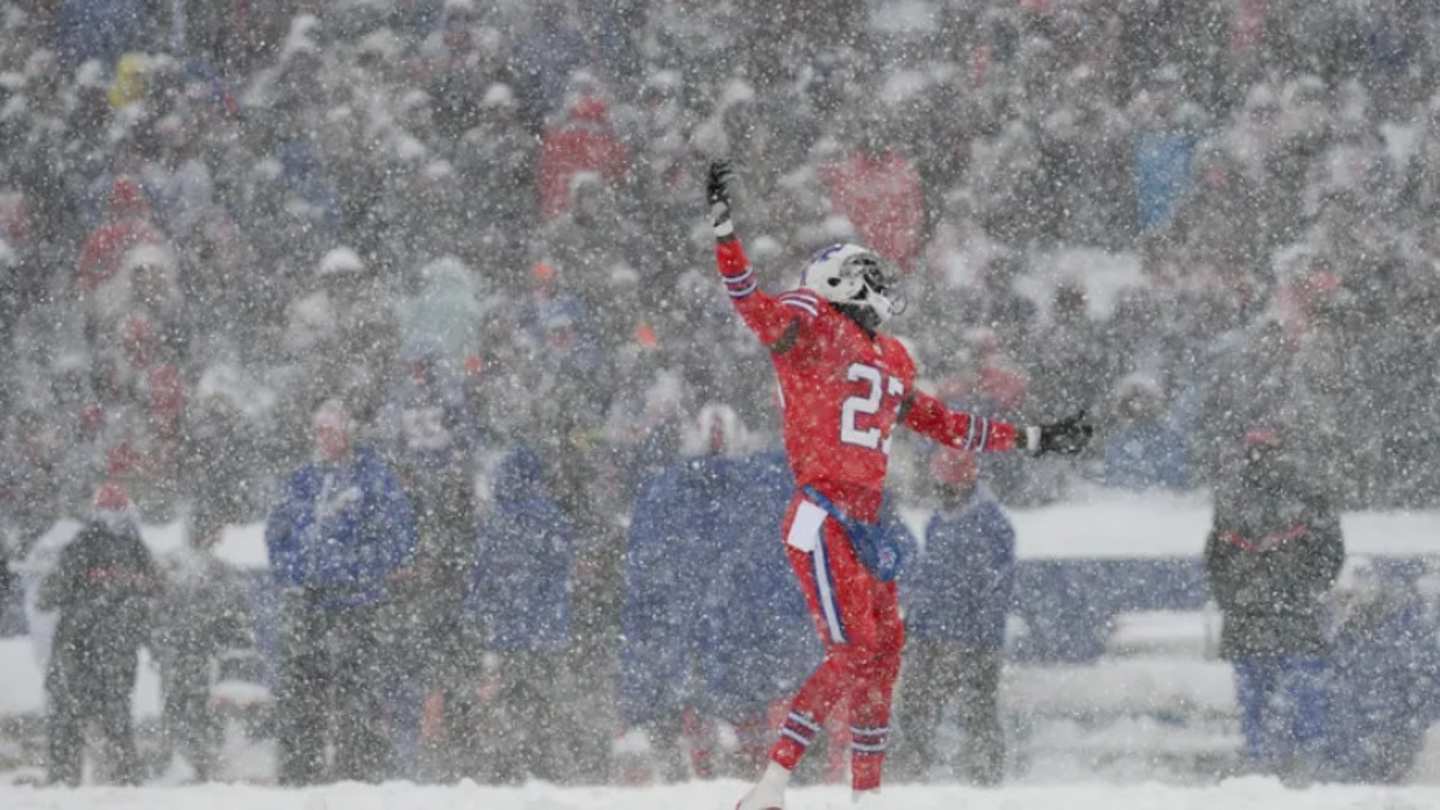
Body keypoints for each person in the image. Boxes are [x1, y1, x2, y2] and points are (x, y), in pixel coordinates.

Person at [705, 160, 1092, 809]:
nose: (881, 290)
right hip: (822, 511)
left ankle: (868, 795)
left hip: (866, 518)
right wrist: (725, 236)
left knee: (885, 650)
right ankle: (771, 784)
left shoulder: (888, 355)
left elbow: (944, 423)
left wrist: (1035, 439)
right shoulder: (811, 321)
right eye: (870, 278)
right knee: (854, 648)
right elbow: (750, 302)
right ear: (840, 280)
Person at [264, 399, 418, 785]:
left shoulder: (374, 479)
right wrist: (295, 572)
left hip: (358, 602)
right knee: (301, 692)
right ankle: (301, 775)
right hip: (309, 600)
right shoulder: (302, 480)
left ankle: (358, 775)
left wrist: (358, 570)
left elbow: (397, 535)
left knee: (359, 693)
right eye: (318, 431)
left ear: (348, 432)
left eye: (331, 431)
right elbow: (277, 534)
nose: (324, 439)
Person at [1204, 429, 1344, 784]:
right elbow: (1217, 556)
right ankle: (1261, 760)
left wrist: (1302, 589)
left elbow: (1329, 552)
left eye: (1268, 451)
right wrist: (1235, 596)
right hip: (1252, 613)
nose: (1261, 458)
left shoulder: (1307, 495)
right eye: (1255, 450)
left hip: (1290, 611)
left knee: (1301, 686)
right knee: (1256, 690)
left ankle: (1304, 760)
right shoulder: (1233, 497)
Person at [895, 449, 1015, 785]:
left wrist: (981, 639)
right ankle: (911, 775)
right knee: (914, 707)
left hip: (973, 638)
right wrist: (915, 623)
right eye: (940, 486)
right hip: (930, 632)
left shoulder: (992, 525)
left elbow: (997, 587)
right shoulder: (936, 522)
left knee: (977, 711)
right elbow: (927, 580)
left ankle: (984, 779)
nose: (944, 494)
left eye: (950, 487)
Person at [39, 482, 159, 786]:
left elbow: (48, 595)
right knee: (108, 718)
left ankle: (69, 785)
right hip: (99, 648)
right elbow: (156, 595)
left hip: (88, 648)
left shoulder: (94, 545)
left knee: (74, 718)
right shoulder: (128, 548)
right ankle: (117, 786)